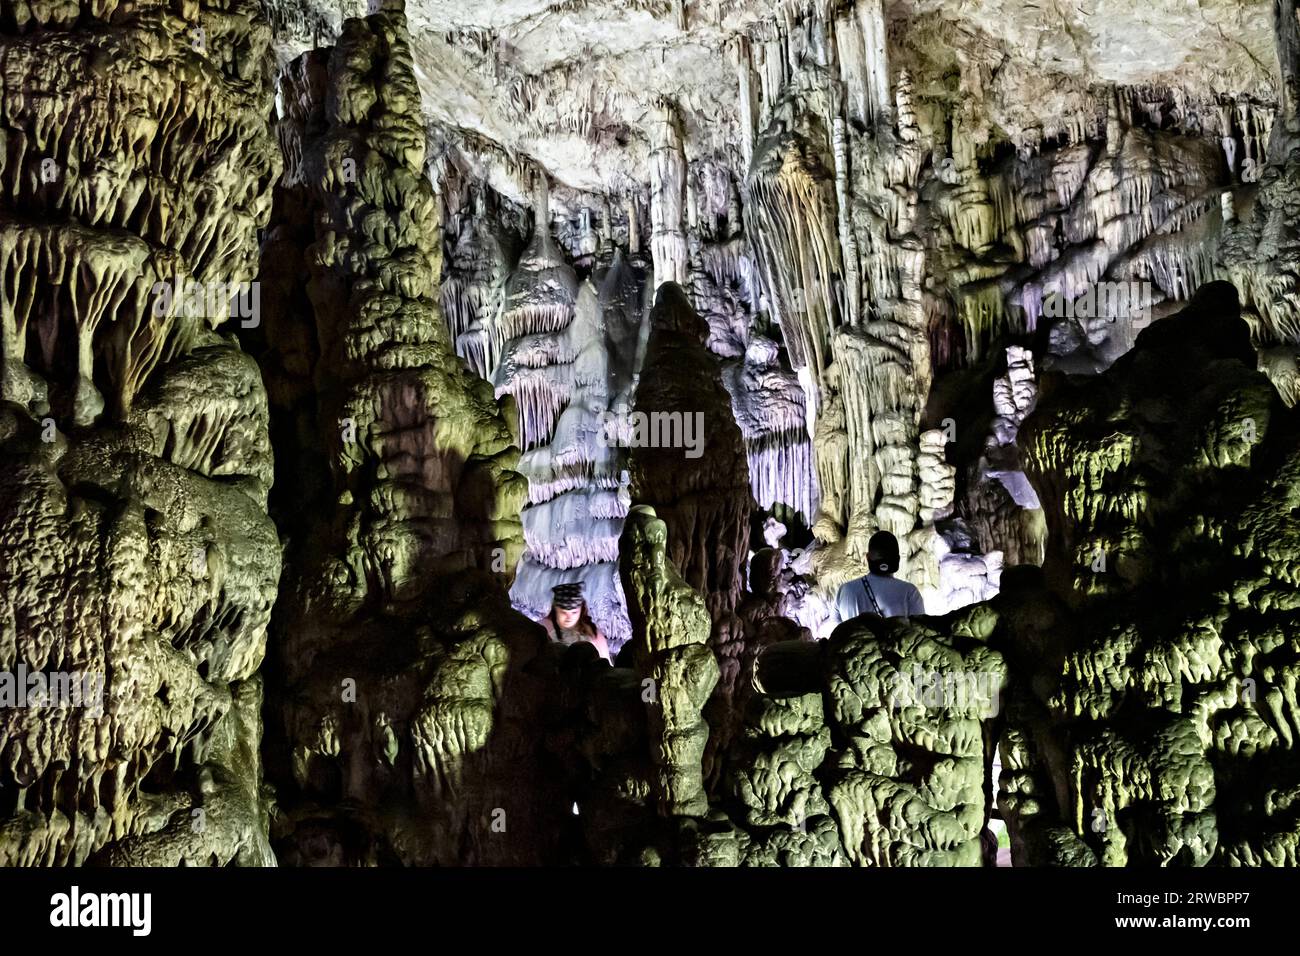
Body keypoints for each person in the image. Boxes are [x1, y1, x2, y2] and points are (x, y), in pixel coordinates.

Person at [835, 531, 925, 622]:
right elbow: (920, 628)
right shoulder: (909, 592)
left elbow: (836, 629)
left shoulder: (844, 590)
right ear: (898, 559)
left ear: (867, 558)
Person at [540, 582, 612, 662]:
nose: (569, 617)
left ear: (581, 610)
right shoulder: (543, 628)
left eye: (574, 612)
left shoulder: (593, 634)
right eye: (563, 612)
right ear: (555, 609)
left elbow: (606, 666)